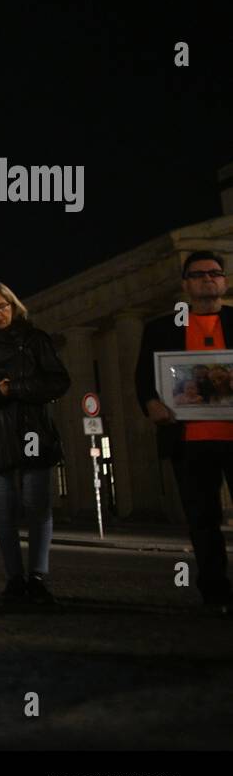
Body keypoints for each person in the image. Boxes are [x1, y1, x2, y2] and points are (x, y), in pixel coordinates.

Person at [0, 282, 70, 604]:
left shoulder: (35, 339)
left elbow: (59, 380)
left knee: (37, 506)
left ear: (13, 305)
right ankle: (14, 577)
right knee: (3, 510)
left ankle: (36, 575)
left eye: (3, 306)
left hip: (33, 429)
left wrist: (17, 388)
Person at [134, 250, 233, 615]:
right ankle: (216, 595)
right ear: (185, 284)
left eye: (215, 273)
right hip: (188, 439)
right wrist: (151, 405)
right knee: (202, 522)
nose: (208, 279)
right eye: (198, 274)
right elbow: (144, 379)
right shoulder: (163, 327)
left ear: (224, 281)